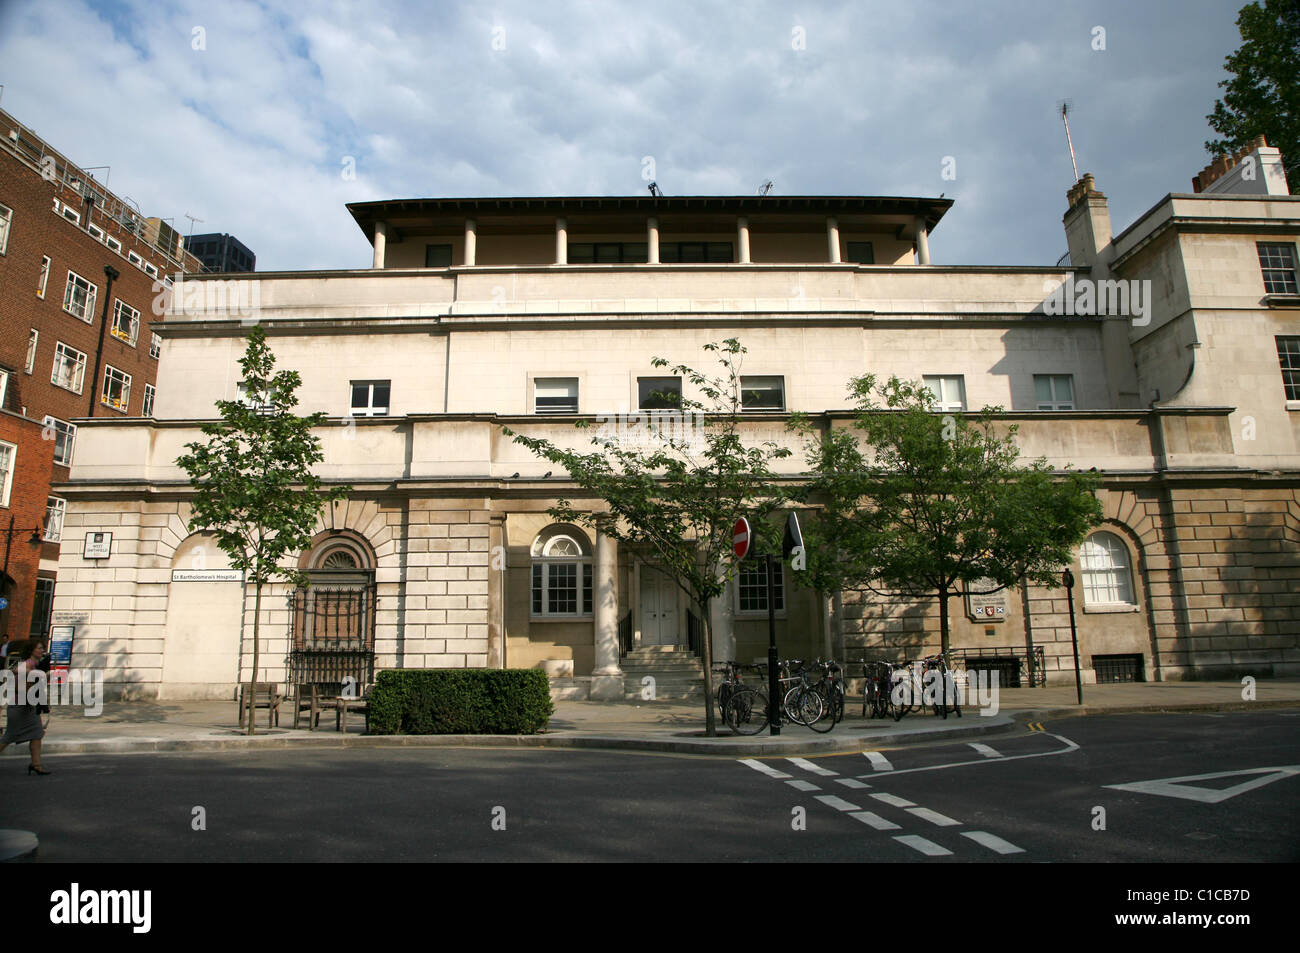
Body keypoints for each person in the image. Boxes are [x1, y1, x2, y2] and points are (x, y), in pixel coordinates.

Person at [0, 640, 51, 775]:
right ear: (32, 650)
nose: (42, 651)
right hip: (19, 706)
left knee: (37, 733)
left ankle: (36, 765)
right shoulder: (28, 664)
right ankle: (36, 764)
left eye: (42, 648)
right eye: (39, 648)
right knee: (9, 736)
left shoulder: (35, 666)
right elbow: (17, 670)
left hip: (28, 707)